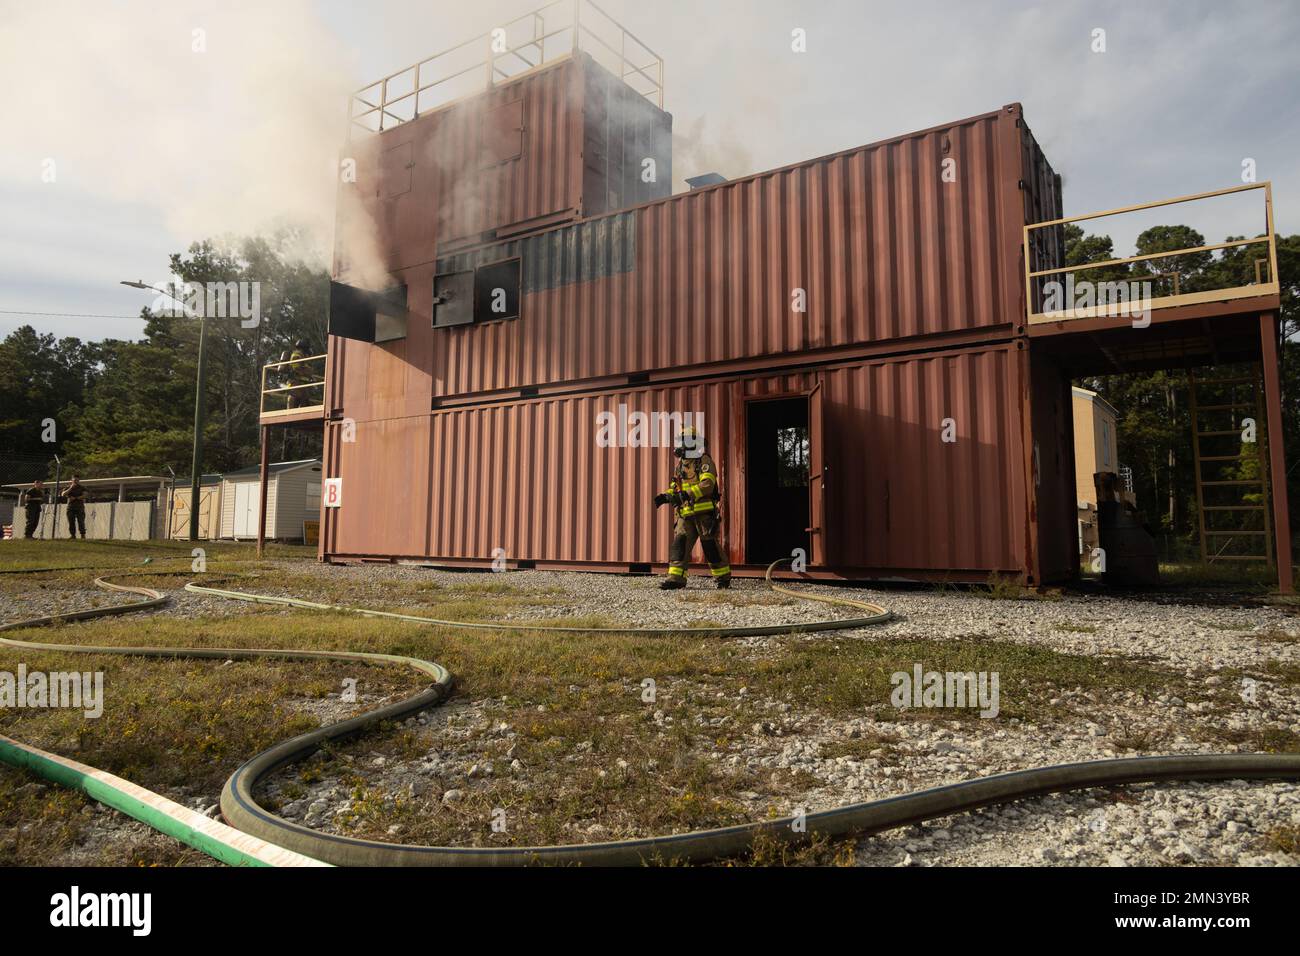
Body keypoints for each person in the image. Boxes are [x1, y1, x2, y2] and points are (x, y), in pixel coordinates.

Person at [654, 425, 731, 589]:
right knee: (679, 546)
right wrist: (666, 496)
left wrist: (686, 494)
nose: (680, 445)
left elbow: (707, 485)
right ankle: (675, 579)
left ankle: (723, 578)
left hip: (704, 515)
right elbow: (676, 488)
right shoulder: (680, 465)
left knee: (710, 547)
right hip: (685, 514)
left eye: (683, 441)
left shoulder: (704, 461)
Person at [60, 475, 87, 539]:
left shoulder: (82, 488)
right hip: (71, 507)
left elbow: (85, 495)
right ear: (71, 480)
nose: (76, 482)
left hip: (80, 507)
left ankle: (82, 535)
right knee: (71, 522)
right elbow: (63, 494)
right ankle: (72, 535)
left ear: (79, 480)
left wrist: (76, 498)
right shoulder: (68, 487)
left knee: (81, 521)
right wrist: (71, 488)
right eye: (74, 480)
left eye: (77, 480)